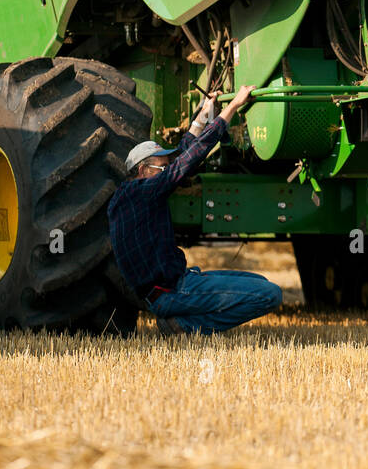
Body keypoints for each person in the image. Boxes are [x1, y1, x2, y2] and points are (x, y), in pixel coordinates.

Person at [108, 83, 282, 335]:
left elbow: (183, 154)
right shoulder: (142, 193)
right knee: (271, 295)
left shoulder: (130, 195)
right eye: (162, 167)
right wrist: (232, 108)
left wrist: (204, 113)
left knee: (259, 282)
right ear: (143, 171)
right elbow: (188, 162)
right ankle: (186, 326)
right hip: (172, 292)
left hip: (173, 285)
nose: (168, 170)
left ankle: (181, 317)